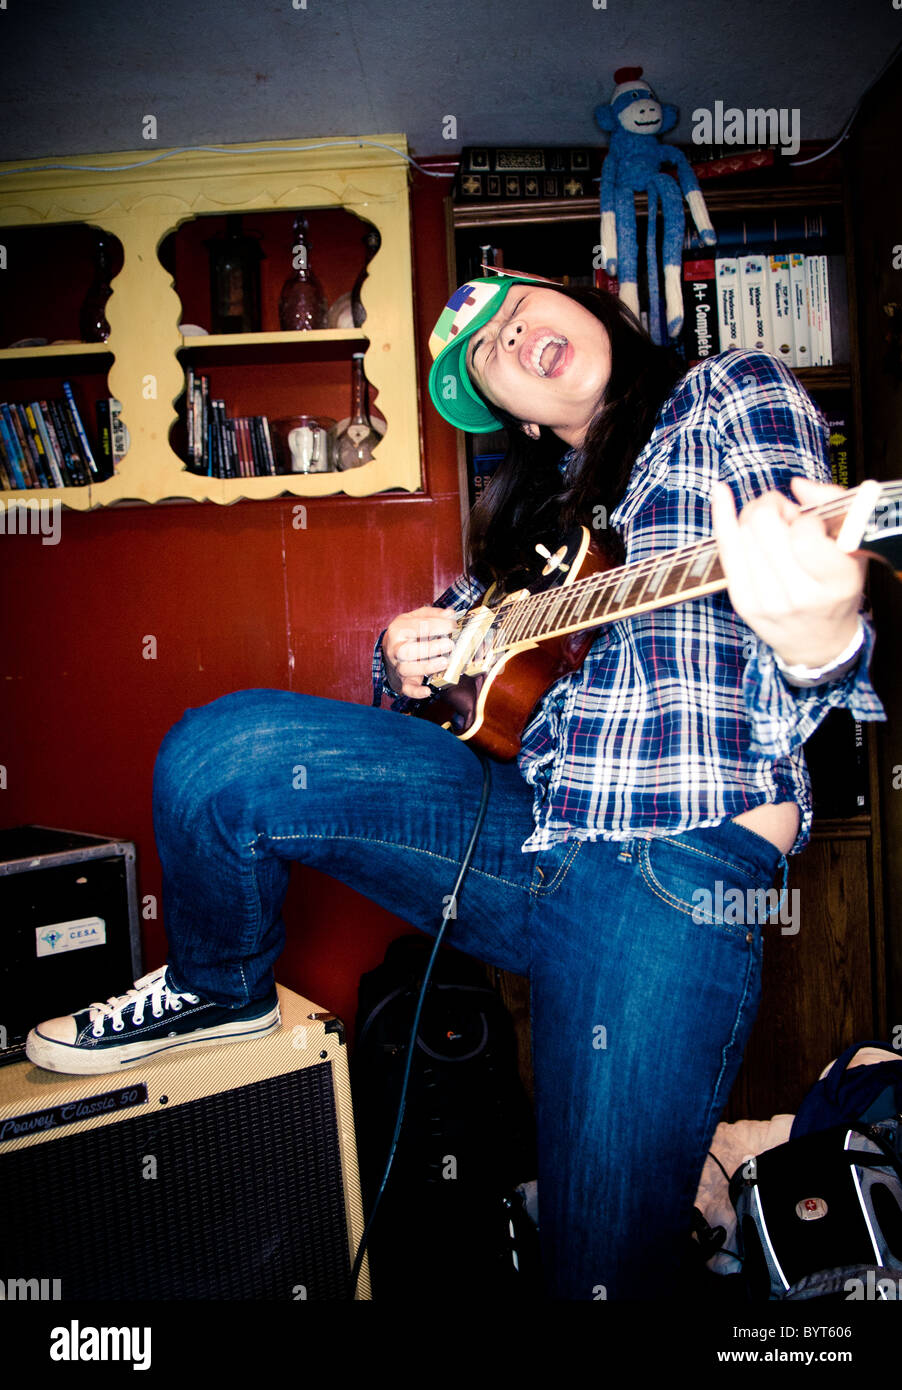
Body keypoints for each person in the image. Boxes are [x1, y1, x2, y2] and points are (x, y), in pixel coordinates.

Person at [26, 275, 884, 1301]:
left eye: (521, 308)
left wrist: (818, 634)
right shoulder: (531, 527)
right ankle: (220, 990)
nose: (514, 334)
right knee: (222, 755)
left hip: (669, 859)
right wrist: (403, 660)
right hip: (521, 839)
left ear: (593, 310)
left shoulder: (723, 393)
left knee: (595, 1274)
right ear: (512, 412)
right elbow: (455, 674)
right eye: (487, 349)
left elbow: (820, 592)